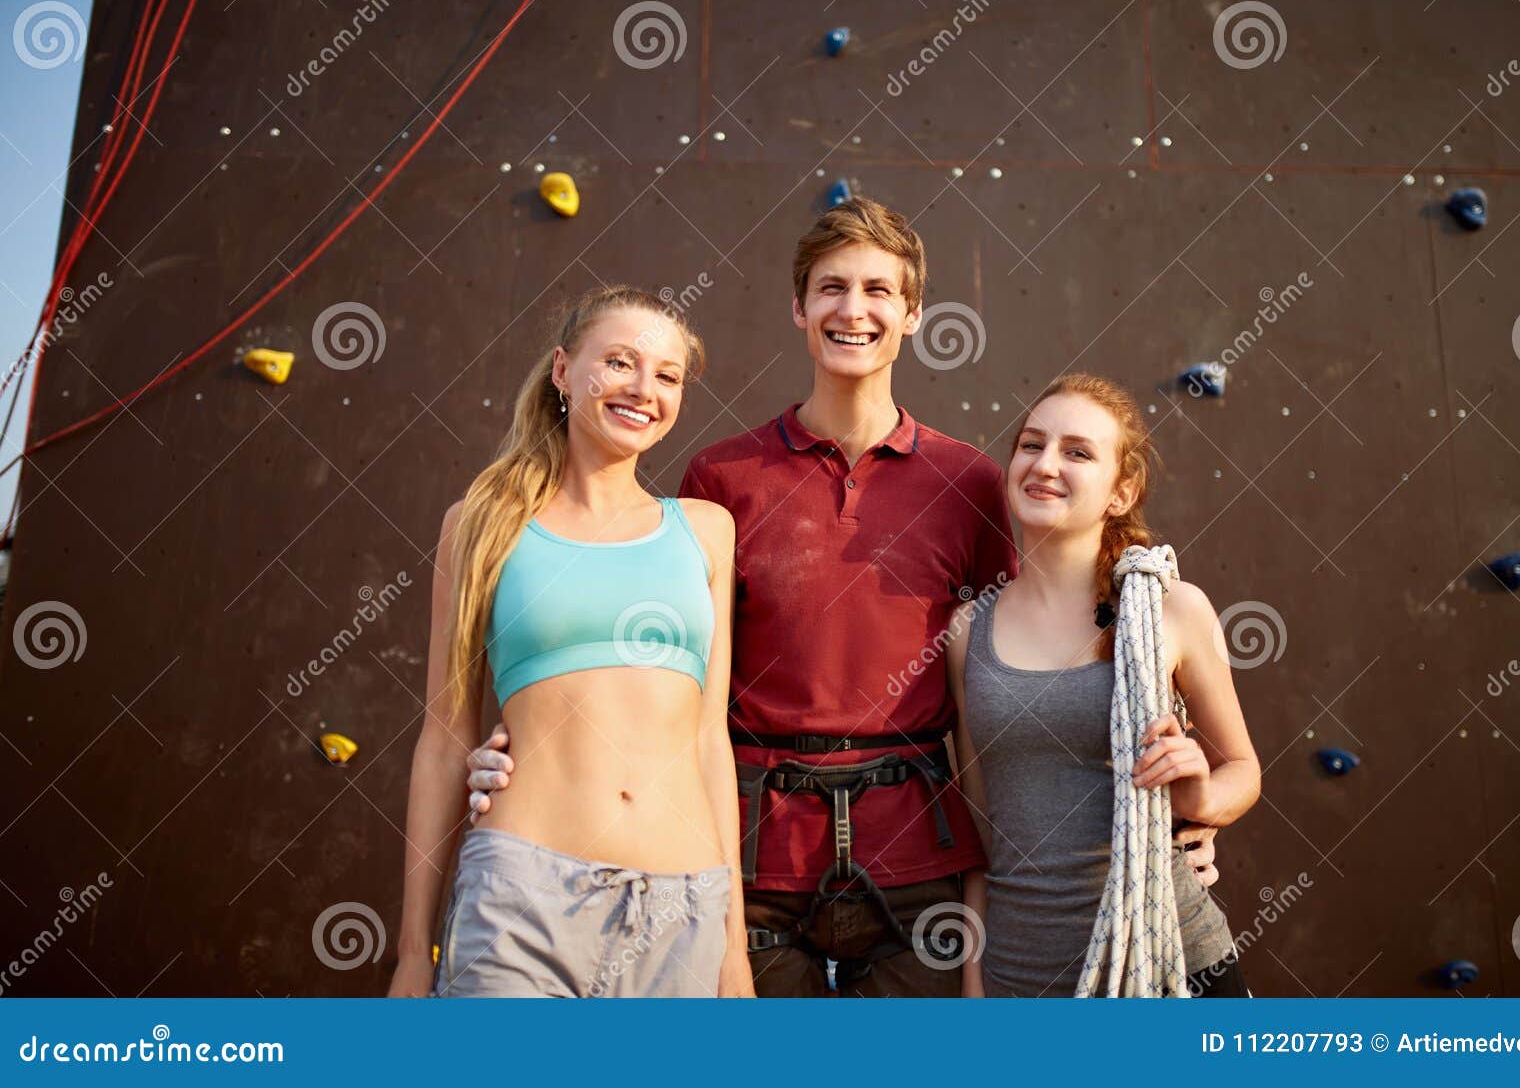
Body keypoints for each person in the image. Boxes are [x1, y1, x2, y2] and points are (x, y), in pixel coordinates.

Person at [466, 199, 1221, 997]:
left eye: (877, 290)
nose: (852, 309)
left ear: (913, 313)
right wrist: (534, 743)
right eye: (830, 288)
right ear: (799, 307)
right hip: (760, 864)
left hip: (919, 859)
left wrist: (1184, 810)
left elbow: (1048, 647)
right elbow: (671, 681)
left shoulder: (967, 481)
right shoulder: (720, 481)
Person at [387, 284, 752, 998]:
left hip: (682, 911)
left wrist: (732, 951)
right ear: (562, 370)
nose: (644, 389)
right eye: (620, 361)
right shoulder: (482, 524)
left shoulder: (705, 531)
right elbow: (442, 738)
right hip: (521, 896)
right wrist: (410, 953)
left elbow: (711, 742)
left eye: (668, 375)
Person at [949, 373, 1261, 997]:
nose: (1045, 465)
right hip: (1023, 975)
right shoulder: (966, 630)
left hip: (1169, 962)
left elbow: (1244, 771)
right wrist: (974, 977)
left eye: (1078, 453)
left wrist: (1198, 795)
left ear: (1121, 492)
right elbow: (981, 826)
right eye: (1032, 444)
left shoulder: (1172, 609)